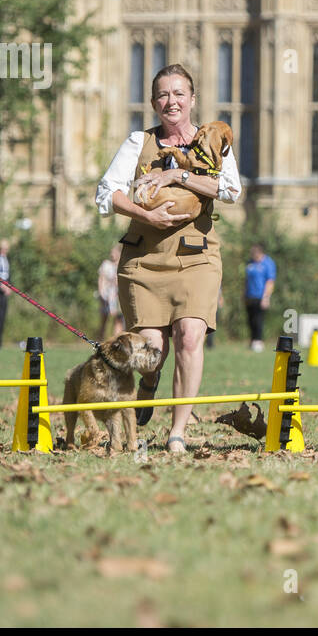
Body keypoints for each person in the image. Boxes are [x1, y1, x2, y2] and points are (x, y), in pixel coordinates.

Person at [97, 63, 243, 453]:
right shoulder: (138, 142)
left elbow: (229, 190)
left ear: (192, 99)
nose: (171, 101)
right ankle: (149, 381)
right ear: (152, 102)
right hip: (144, 260)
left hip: (196, 257)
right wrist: (145, 214)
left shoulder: (211, 142)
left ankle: (177, 431)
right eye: (163, 94)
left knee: (190, 336)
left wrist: (177, 176)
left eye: (179, 93)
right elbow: (106, 194)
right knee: (152, 352)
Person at [243, 244, 276, 351]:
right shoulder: (250, 263)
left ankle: (258, 341)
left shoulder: (268, 263)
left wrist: (266, 297)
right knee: (250, 319)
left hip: (260, 296)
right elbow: (246, 280)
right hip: (250, 295)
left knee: (258, 319)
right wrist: (244, 294)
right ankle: (252, 340)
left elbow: (270, 281)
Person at [97, 245, 123, 339]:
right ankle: (101, 341)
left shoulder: (122, 265)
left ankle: (115, 341)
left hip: (118, 294)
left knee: (118, 318)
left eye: (115, 252)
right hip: (106, 294)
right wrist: (101, 293)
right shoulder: (106, 264)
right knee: (104, 318)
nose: (112, 254)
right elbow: (101, 279)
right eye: (112, 252)